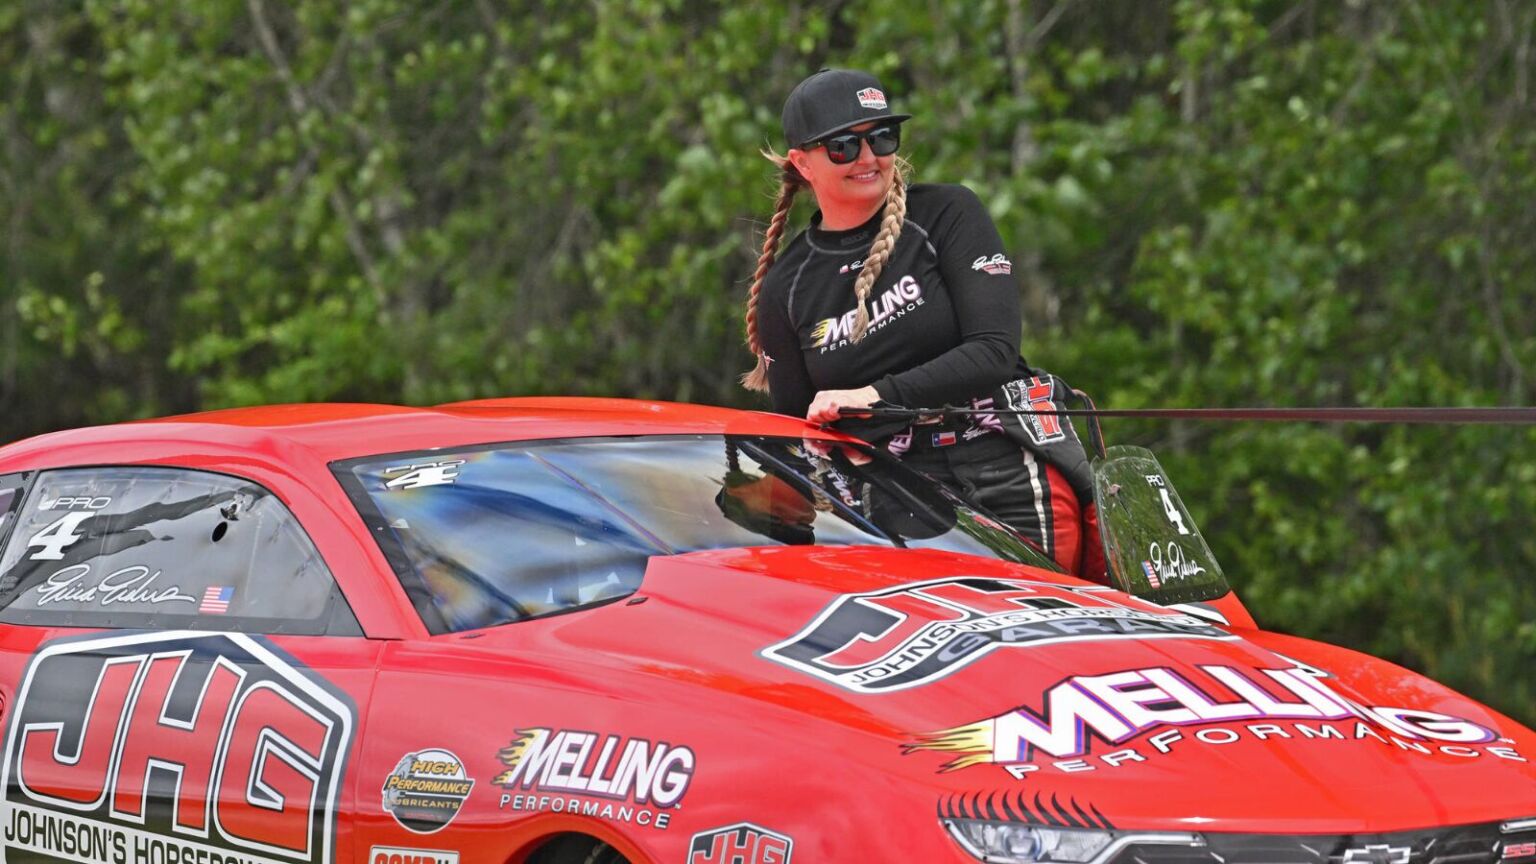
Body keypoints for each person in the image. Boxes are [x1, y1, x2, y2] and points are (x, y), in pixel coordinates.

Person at [739, 67, 1105, 581]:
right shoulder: (787, 286)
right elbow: (801, 435)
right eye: (843, 146)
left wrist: (873, 396)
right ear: (802, 163)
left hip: (1002, 465)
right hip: (889, 490)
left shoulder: (948, 212)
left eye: (882, 137)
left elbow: (994, 351)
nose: (868, 158)